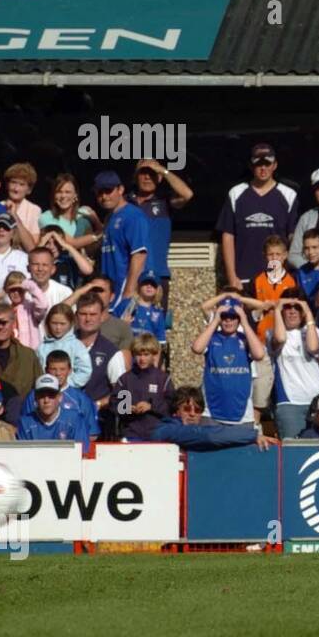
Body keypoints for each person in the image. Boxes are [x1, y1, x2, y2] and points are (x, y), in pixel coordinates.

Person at [217, 143, 300, 293]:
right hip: (243, 277)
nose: (263, 168)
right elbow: (228, 236)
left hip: (276, 277)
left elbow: (293, 237)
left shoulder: (289, 195)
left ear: (275, 165)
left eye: (267, 164)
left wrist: (286, 273)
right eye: (258, 164)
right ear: (251, 166)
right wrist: (232, 276)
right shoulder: (236, 193)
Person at [192, 296, 265, 425]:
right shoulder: (212, 338)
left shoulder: (245, 339)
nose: (228, 321)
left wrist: (245, 322)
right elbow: (197, 348)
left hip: (242, 415)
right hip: (211, 413)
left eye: (233, 317)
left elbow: (259, 354)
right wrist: (215, 320)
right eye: (224, 317)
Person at [128, 159, 193, 303]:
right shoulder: (125, 203)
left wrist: (162, 170)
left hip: (157, 274)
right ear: (135, 177)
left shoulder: (165, 202)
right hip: (129, 275)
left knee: (156, 323)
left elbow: (187, 194)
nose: (147, 177)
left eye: (152, 174)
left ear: (159, 178)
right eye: (143, 173)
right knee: (126, 323)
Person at [150, 386, 279, 451]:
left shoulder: (199, 428)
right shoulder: (166, 429)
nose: (193, 414)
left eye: (198, 410)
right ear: (175, 411)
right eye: (187, 409)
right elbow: (210, 436)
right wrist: (252, 436)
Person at [93, 170, 150, 314]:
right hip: (110, 292)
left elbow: (139, 255)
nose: (104, 197)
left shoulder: (132, 216)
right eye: (100, 192)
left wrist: (128, 294)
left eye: (108, 191)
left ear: (121, 189)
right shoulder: (109, 218)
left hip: (123, 291)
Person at [269, 293, 319, 440]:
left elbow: (312, 348)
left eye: (297, 307)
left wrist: (308, 312)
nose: (292, 311)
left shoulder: (313, 331)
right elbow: (280, 338)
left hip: (316, 398)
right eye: (288, 307)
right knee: (293, 449)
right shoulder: (272, 334)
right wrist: (277, 307)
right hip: (289, 402)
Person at [113, 333, 173, 440]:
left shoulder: (163, 379)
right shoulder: (125, 379)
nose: (142, 359)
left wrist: (151, 406)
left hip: (158, 434)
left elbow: (171, 405)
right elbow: (114, 404)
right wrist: (127, 408)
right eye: (138, 355)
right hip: (131, 433)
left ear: (153, 355)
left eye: (146, 354)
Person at [18, 374, 92, 449]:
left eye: (51, 395)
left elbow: (82, 452)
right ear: (35, 398)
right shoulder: (25, 423)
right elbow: (23, 455)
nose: (46, 400)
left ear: (60, 397)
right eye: (41, 396)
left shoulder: (75, 420)